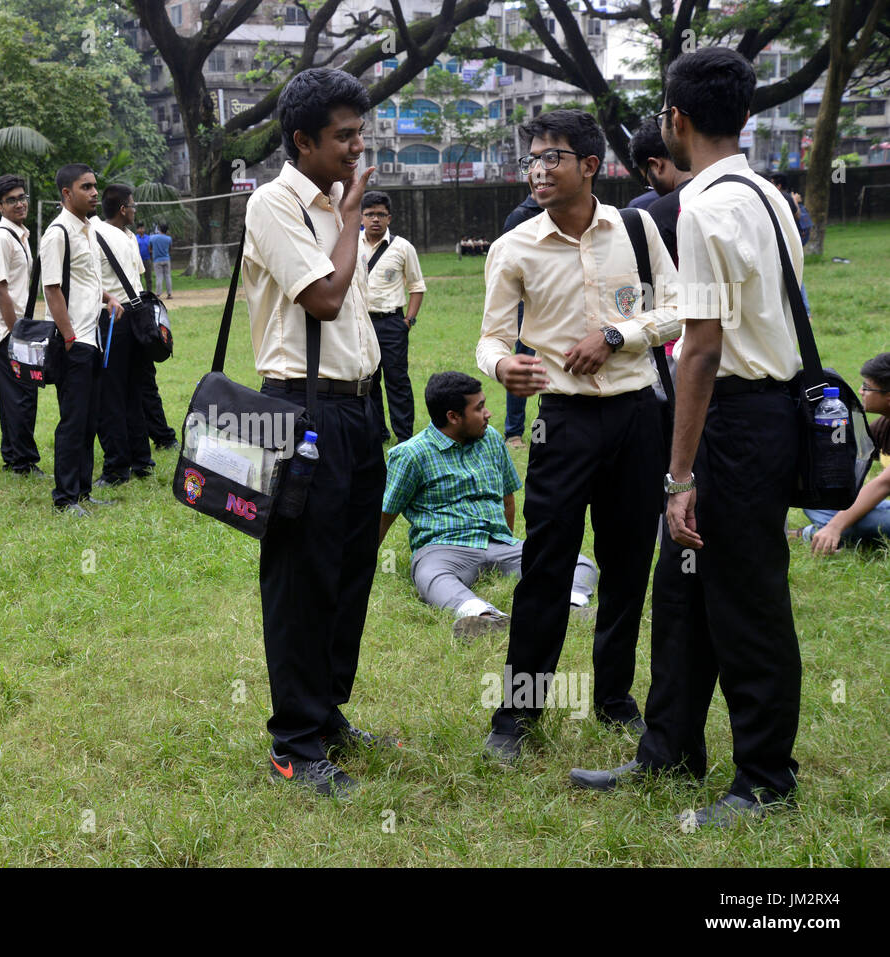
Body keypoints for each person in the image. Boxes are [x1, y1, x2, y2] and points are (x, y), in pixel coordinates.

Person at [570, 48, 807, 829]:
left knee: (745, 598)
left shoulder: (705, 206)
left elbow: (701, 345)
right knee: (682, 586)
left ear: (675, 119)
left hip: (737, 421)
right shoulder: (766, 192)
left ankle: (765, 781)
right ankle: (667, 749)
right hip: (747, 413)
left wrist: (678, 477)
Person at [476, 108, 681, 763]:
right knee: (545, 567)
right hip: (560, 424)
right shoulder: (514, 247)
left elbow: (677, 311)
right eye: (533, 157)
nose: (539, 168)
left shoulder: (637, 227)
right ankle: (516, 715)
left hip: (636, 417)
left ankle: (614, 697)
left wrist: (618, 335)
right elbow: (489, 335)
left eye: (553, 156)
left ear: (590, 165)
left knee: (627, 565)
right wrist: (500, 364)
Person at [244, 67, 390, 797]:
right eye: (342, 137)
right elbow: (326, 300)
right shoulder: (275, 204)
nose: (355, 149)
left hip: (357, 410)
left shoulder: (333, 208)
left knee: (349, 569)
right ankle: (292, 743)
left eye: (359, 134)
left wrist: (346, 209)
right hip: (302, 411)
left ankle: (326, 712)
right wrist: (352, 210)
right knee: (301, 578)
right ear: (301, 140)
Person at [380, 372, 597, 639]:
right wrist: (361, 564)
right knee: (430, 575)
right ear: (453, 416)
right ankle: (483, 616)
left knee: (579, 563)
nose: (488, 413)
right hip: (444, 548)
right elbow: (385, 514)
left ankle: (571, 606)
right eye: (479, 407)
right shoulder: (411, 454)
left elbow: (508, 497)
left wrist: (507, 543)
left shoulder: (491, 439)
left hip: (499, 543)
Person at [41, 163, 124, 516]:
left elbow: (87, 278)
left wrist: (108, 297)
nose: (94, 193)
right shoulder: (57, 233)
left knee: (90, 419)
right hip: (74, 342)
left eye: (94, 187)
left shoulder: (88, 229)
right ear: (66, 193)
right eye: (86, 187)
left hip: (94, 340)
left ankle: (84, 492)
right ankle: (65, 498)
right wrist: (69, 335)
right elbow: (52, 289)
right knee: (73, 421)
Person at [0, 174, 43, 477]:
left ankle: (13, 455)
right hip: (8, 331)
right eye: (12, 200)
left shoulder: (18, 234)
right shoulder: (0, 238)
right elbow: (0, 289)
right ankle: (24, 461)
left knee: (14, 395)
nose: (20, 204)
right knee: (22, 395)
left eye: (22, 197)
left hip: (16, 327)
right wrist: (16, 332)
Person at [93, 183, 155, 487]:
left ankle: (118, 468)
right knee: (132, 391)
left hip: (114, 319)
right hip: (130, 316)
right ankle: (141, 460)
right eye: (132, 206)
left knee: (112, 395)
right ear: (122, 209)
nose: (135, 210)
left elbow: (90, 282)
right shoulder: (120, 237)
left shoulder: (101, 234)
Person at [798, 352, 890, 551]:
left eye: (866, 387)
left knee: (860, 521)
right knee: (816, 501)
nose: (860, 391)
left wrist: (835, 526)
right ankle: (827, 531)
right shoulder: (885, 424)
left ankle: (813, 533)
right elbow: (850, 449)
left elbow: (884, 483)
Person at [360, 190, 425, 445]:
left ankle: (404, 436)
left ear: (389, 218)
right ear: (361, 217)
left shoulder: (402, 247)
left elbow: (416, 287)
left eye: (381, 214)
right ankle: (377, 432)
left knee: (397, 381)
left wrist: (408, 321)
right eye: (370, 214)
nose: (375, 219)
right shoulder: (351, 246)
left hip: (392, 323)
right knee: (368, 381)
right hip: (363, 324)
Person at [499, 192, 544, 450]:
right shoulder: (520, 216)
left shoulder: (567, 213)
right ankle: (514, 433)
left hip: (561, 304)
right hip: (526, 304)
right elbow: (505, 266)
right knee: (525, 365)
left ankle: (544, 431)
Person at [628, 119, 692, 262]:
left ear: (656, 165)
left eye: (646, 178)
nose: (651, 187)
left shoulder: (660, 213)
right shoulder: (727, 189)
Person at [149, 223, 172, 299]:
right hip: (166, 259)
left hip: (157, 260)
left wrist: (153, 251)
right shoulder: (169, 238)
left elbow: (149, 248)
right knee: (168, 276)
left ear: (159, 229)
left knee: (159, 277)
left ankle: (158, 294)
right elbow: (169, 249)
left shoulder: (153, 238)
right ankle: (169, 294)